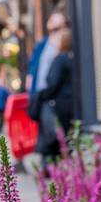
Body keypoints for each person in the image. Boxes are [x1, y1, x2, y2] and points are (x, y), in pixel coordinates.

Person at [28, 28, 75, 160]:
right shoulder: (71, 58)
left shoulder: (60, 59)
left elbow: (53, 83)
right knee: (66, 141)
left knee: (55, 142)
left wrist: (40, 96)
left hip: (58, 106)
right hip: (69, 105)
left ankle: (51, 169)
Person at [28, 11, 69, 98]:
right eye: (50, 19)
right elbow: (33, 67)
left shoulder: (65, 43)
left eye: (54, 20)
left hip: (55, 96)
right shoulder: (42, 44)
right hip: (40, 94)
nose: (51, 21)